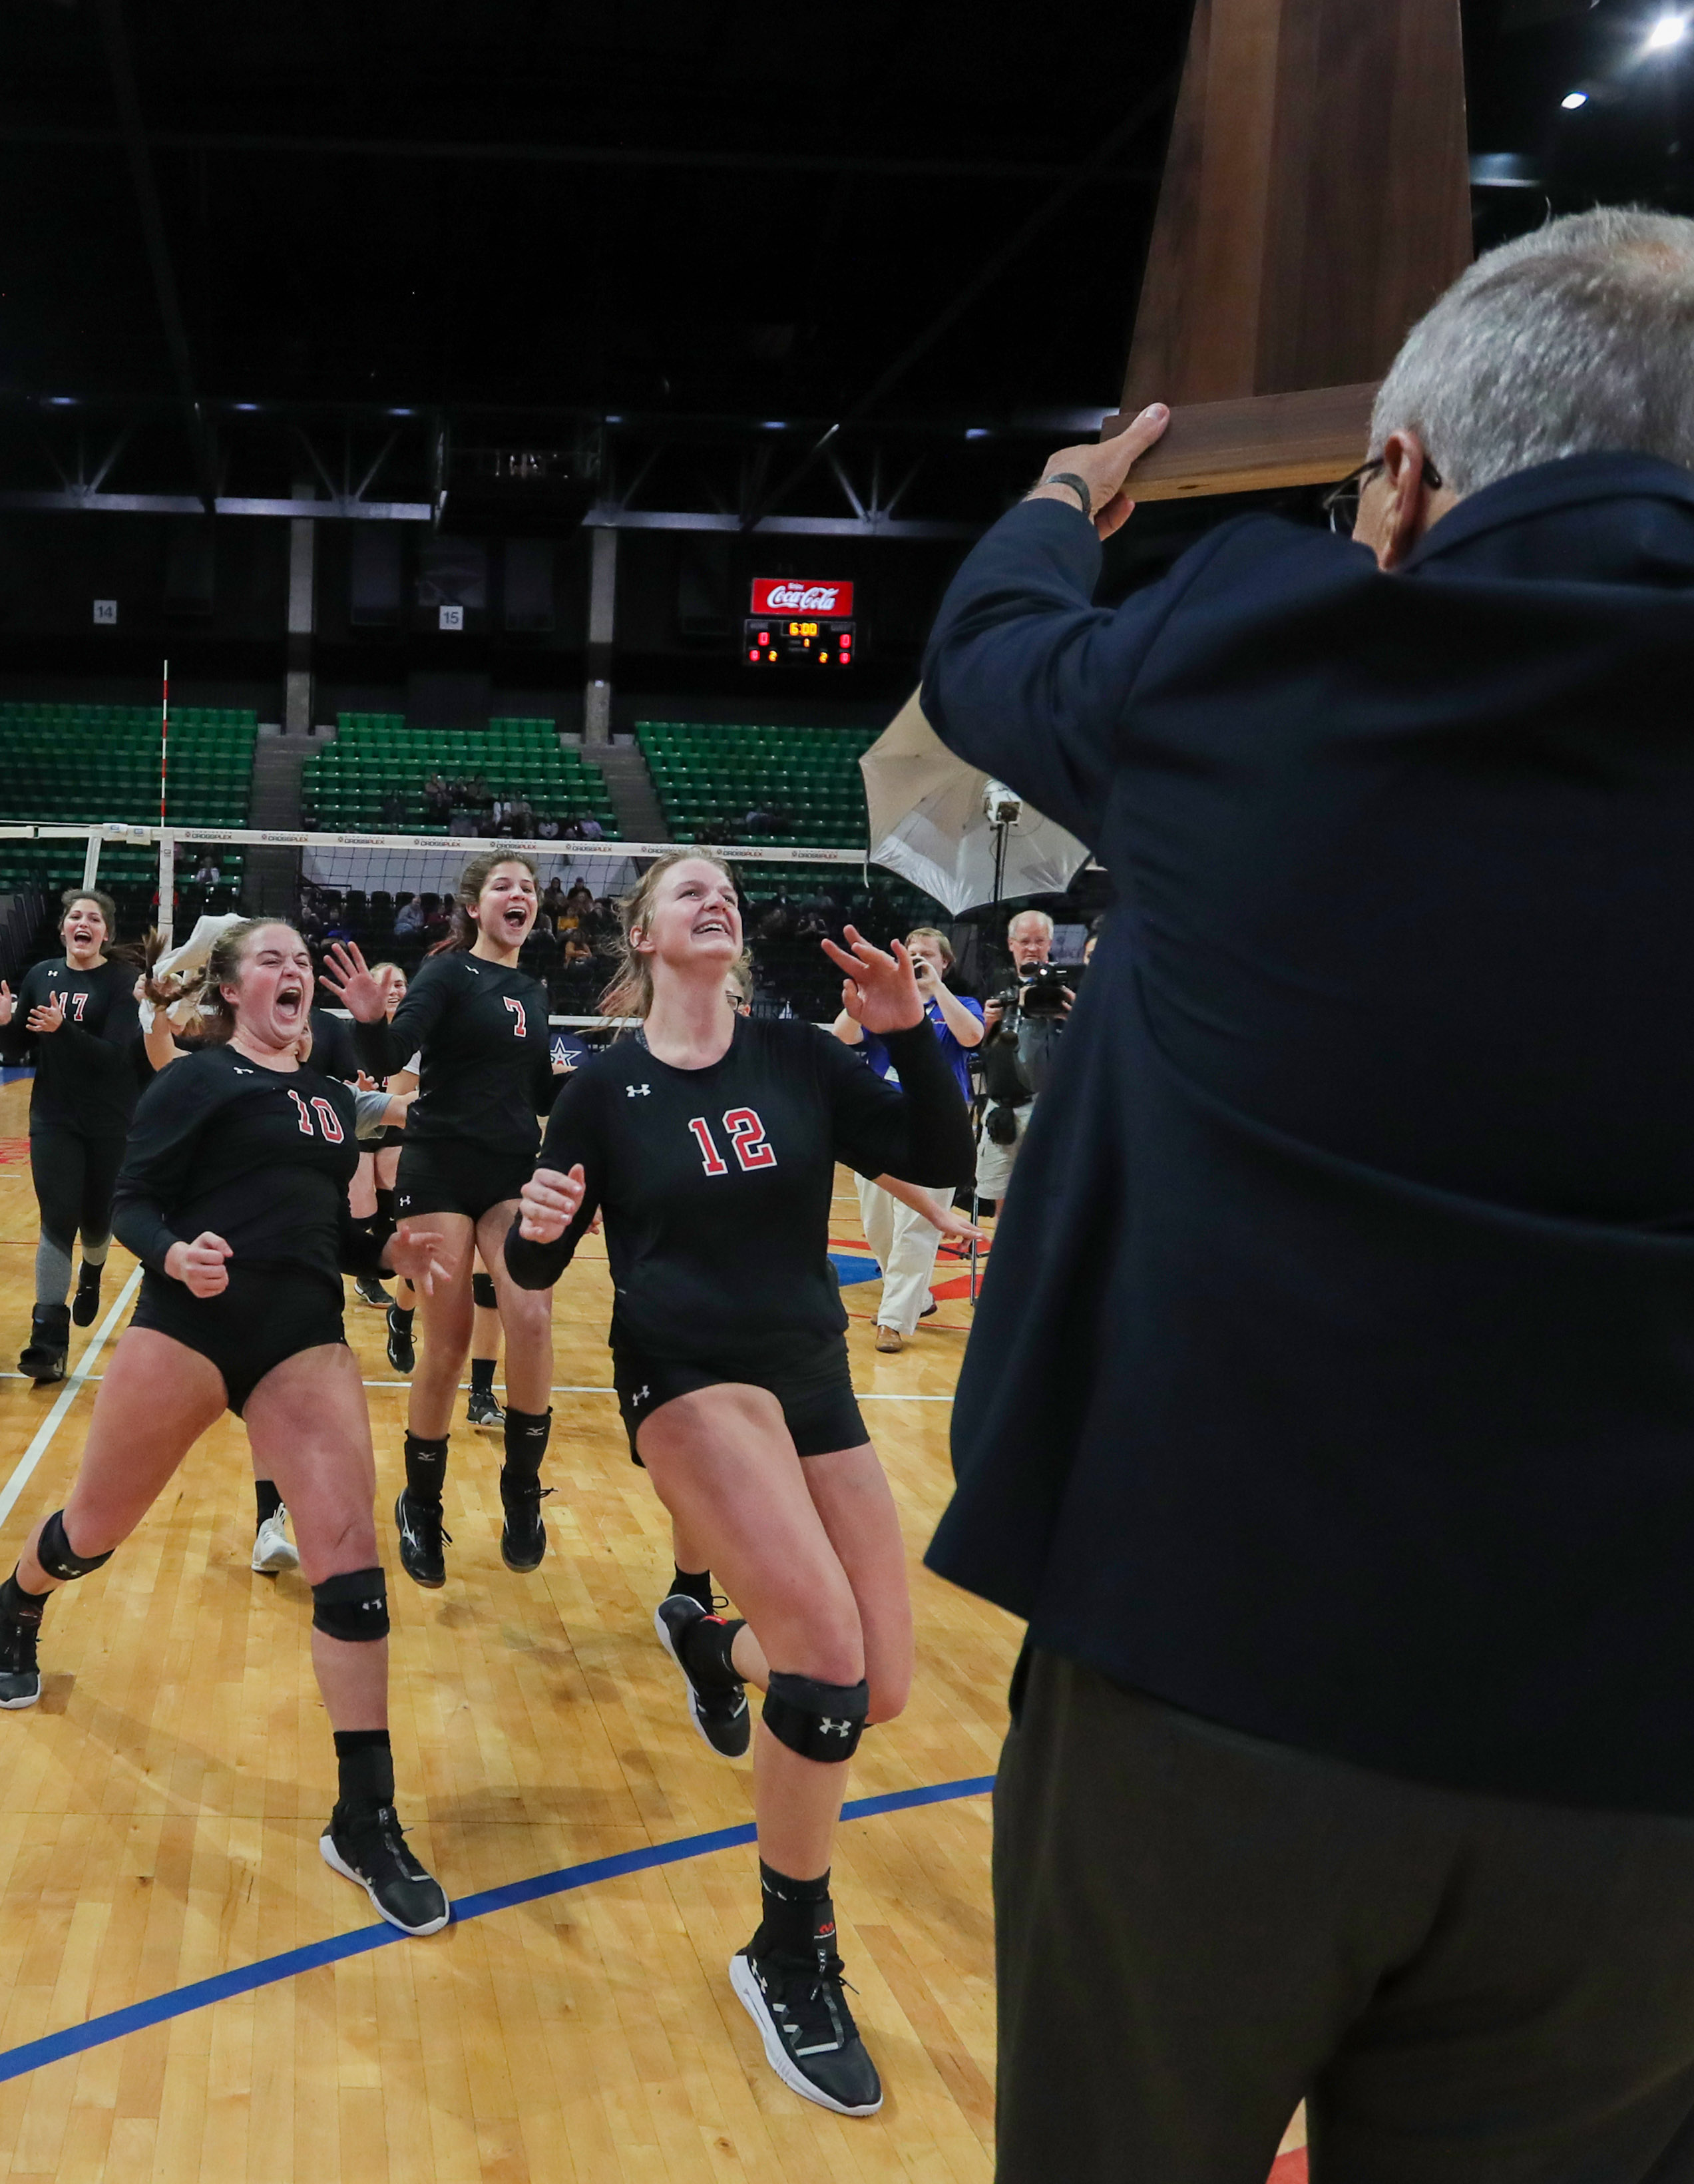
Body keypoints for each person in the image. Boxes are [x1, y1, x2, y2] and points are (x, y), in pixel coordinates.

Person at [920, 208, 1694, 2182]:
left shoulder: (1262, 654)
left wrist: (1059, 499)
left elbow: (988, 657)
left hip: (1211, 1669)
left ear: (1408, 478)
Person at [504, 850, 975, 2117]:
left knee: (877, 1687)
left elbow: (941, 1157)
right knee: (822, 1648)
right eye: (686, 891)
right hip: (686, 1372)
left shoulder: (799, 1057)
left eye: (724, 890)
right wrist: (538, 1234)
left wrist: (911, 1029)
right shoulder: (603, 1089)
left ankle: (715, 1644)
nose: (713, 899)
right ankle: (789, 1950)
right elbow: (539, 1282)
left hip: (809, 1370)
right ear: (644, 935)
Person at [0, 919, 453, 1934]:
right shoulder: (196, 1081)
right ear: (236, 990)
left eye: (302, 963)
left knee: (351, 1567)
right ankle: (18, 1600)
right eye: (275, 962)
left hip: (301, 1336)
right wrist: (173, 1258)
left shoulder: (333, 1105)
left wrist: (390, 1253)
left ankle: (365, 1817)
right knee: (94, 1527)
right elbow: (133, 1203)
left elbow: (335, 1234)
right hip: (189, 1324)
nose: (294, 973)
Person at [321, 853, 558, 1586]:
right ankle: (420, 1502)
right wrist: (368, 1020)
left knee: (532, 1316)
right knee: (449, 1341)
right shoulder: (450, 973)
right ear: (474, 906)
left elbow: (539, 1089)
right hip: (441, 1165)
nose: (518, 894)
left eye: (527, 886)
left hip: (512, 1169)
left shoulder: (535, 989)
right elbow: (392, 1051)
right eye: (502, 885)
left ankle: (521, 1487)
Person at [0, 890, 148, 1383]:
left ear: (106, 933)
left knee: (97, 1220)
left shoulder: (122, 981)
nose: (83, 923)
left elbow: (117, 1059)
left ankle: (91, 1274)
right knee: (57, 1217)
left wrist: (64, 1030)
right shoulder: (42, 975)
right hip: (54, 1119)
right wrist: (5, 1023)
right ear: (63, 927)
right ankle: (47, 1342)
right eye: (75, 915)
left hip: (109, 1121)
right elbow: (20, 1044)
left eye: (94, 918)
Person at [832, 927, 986, 1351]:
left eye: (926, 956)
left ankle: (894, 1321)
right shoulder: (884, 1001)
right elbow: (843, 1035)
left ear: (945, 962)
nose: (917, 961)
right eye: (910, 954)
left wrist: (934, 987)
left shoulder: (961, 1003)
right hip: (880, 1122)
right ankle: (918, 1299)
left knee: (916, 1228)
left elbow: (972, 1036)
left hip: (938, 1130)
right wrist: (869, 985)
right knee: (878, 1227)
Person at [974, 908, 1070, 1214]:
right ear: (1011, 943)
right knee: (1001, 1197)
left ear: (1050, 943)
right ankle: (1006, 1260)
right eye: (1025, 940)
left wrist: (1072, 1014)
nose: (1032, 948)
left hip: (1051, 1105)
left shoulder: (1066, 988)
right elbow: (971, 1043)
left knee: (1052, 1195)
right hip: (1004, 1105)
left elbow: (1096, 1042)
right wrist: (988, 1022)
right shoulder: (992, 983)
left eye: (1039, 941)